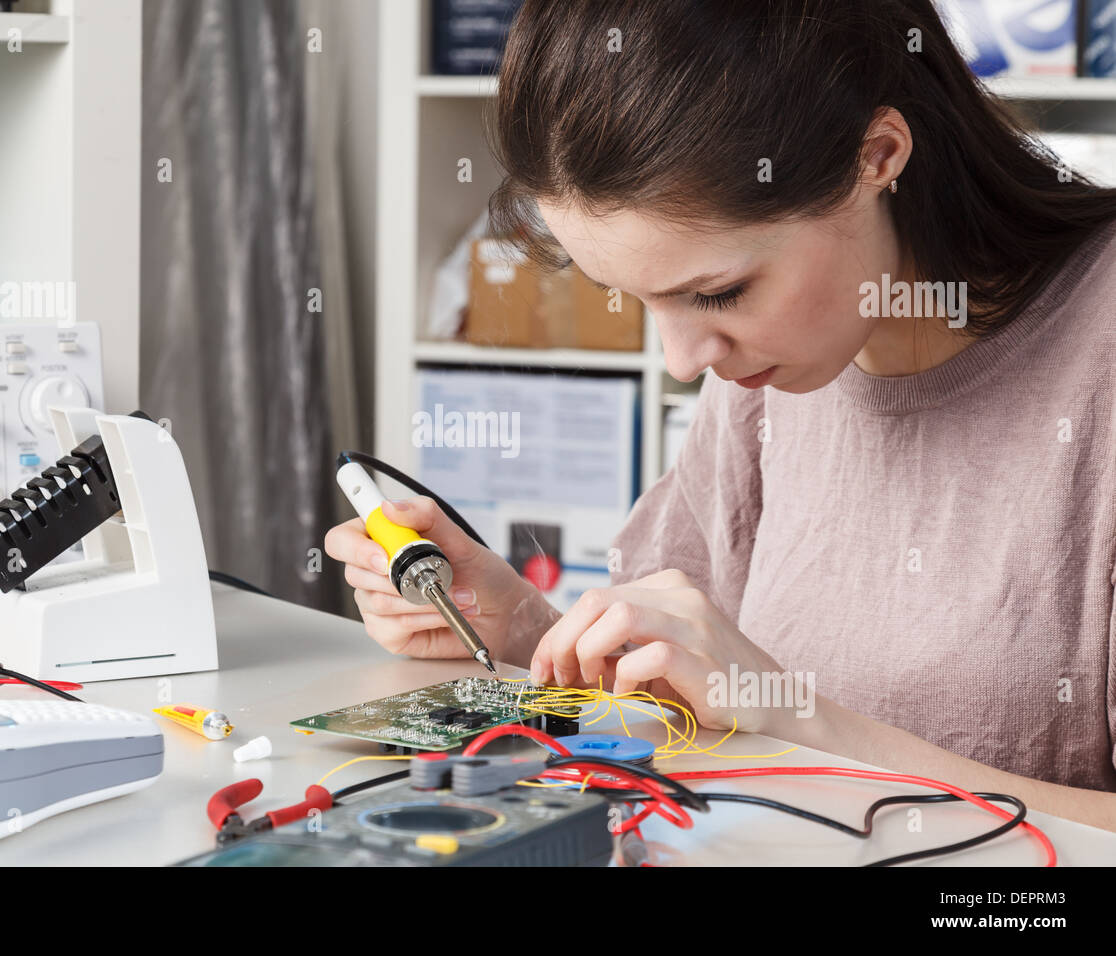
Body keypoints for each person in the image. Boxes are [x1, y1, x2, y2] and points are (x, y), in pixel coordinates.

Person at [325, 0, 1116, 831]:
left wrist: (804, 724)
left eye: (717, 292)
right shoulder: (768, 369)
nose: (682, 359)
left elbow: (761, 708)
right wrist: (524, 625)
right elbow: (688, 683)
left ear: (877, 157)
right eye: (639, 302)